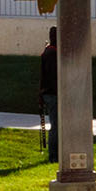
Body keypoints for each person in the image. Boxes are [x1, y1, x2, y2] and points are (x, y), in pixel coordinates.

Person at [37, 28, 57, 163]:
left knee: (56, 125)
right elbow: (53, 77)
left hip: (48, 93)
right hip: (53, 94)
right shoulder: (52, 53)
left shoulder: (48, 51)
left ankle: (55, 154)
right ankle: (54, 156)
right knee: (56, 126)